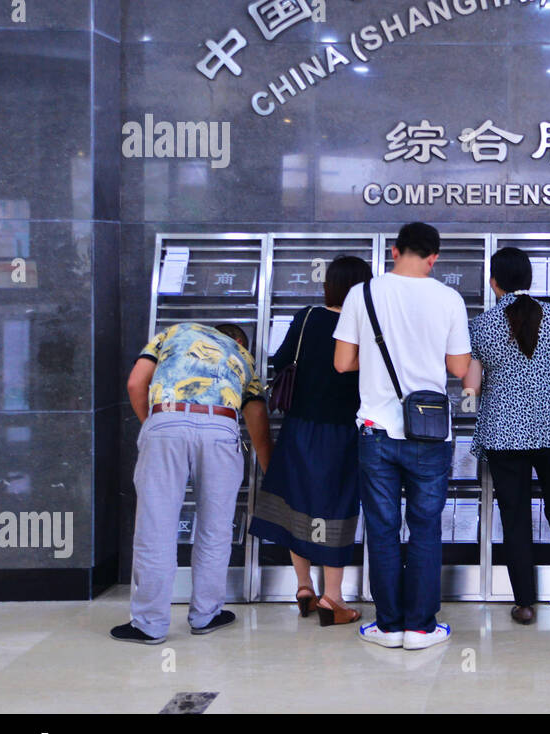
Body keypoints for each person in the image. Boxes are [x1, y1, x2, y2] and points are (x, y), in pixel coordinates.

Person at [333, 223, 471, 650]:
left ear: (394, 251)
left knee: (383, 527)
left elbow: (342, 363)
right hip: (430, 432)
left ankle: (388, 625)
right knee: (426, 527)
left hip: (376, 431)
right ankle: (421, 628)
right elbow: (458, 368)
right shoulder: (449, 298)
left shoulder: (363, 293)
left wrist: (376, 362)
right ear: (434, 258)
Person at [113, 322, 272, 644]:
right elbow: (257, 423)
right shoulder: (244, 357)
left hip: (167, 418)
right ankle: (206, 614)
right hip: (221, 427)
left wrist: (157, 426)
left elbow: (135, 384)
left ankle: (148, 625)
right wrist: (273, 475)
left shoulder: (175, 332)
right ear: (240, 341)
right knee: (215, 529)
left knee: (155, 527)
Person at [462, 247, 550, 625]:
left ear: (494, 282)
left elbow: (471, 387)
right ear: (530, 279)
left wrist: (495, 381)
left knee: (514, 516)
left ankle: (525, 604)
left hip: (503, 435)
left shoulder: (482, 324)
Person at [249, 255, 373, 627]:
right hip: (343, 431)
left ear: (329, 285)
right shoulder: (364, 326)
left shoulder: (305, 318)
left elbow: (281, 360)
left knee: (294, 503)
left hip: (300, 427)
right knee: (336, 507)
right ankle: (332, 598)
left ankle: (303, 586)